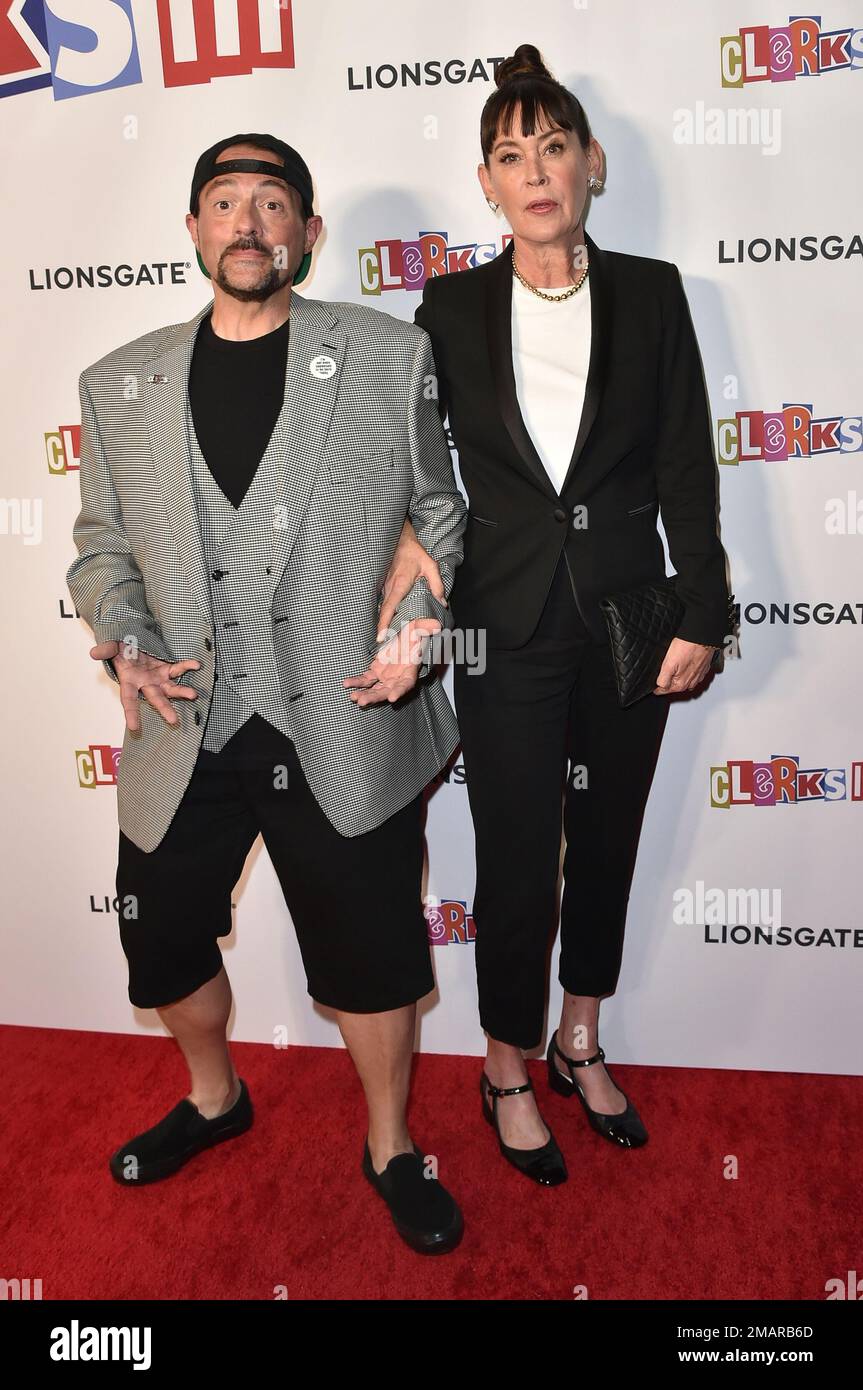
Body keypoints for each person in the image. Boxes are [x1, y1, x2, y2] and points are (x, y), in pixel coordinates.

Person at [66, 132, 468, 1253]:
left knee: (374, 951)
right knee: (164, 946)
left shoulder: (387, 353)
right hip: (184, 721)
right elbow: (100, 550)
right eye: (226, 203)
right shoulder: (117, 383)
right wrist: (123, 635)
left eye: (274, 203)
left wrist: (418, 611)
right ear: (194, 229)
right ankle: (214, 1097)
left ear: (308, 232)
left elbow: (436, 512)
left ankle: (389, 1143)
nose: (250, 222)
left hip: (341, 709)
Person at [393, 46, 731, 1183]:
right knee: (512, 856)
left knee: (609, 839)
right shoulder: (443, 309)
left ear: (589, 164)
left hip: (633, 618)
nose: (533, 171)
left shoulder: (652, 291)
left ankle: (580, 1038)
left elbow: (687, 461)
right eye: (507, 154)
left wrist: (704, 607)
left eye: (551, 147)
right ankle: (504, 1062)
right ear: (484, 184)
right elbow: (408, 471)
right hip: (504, 623)